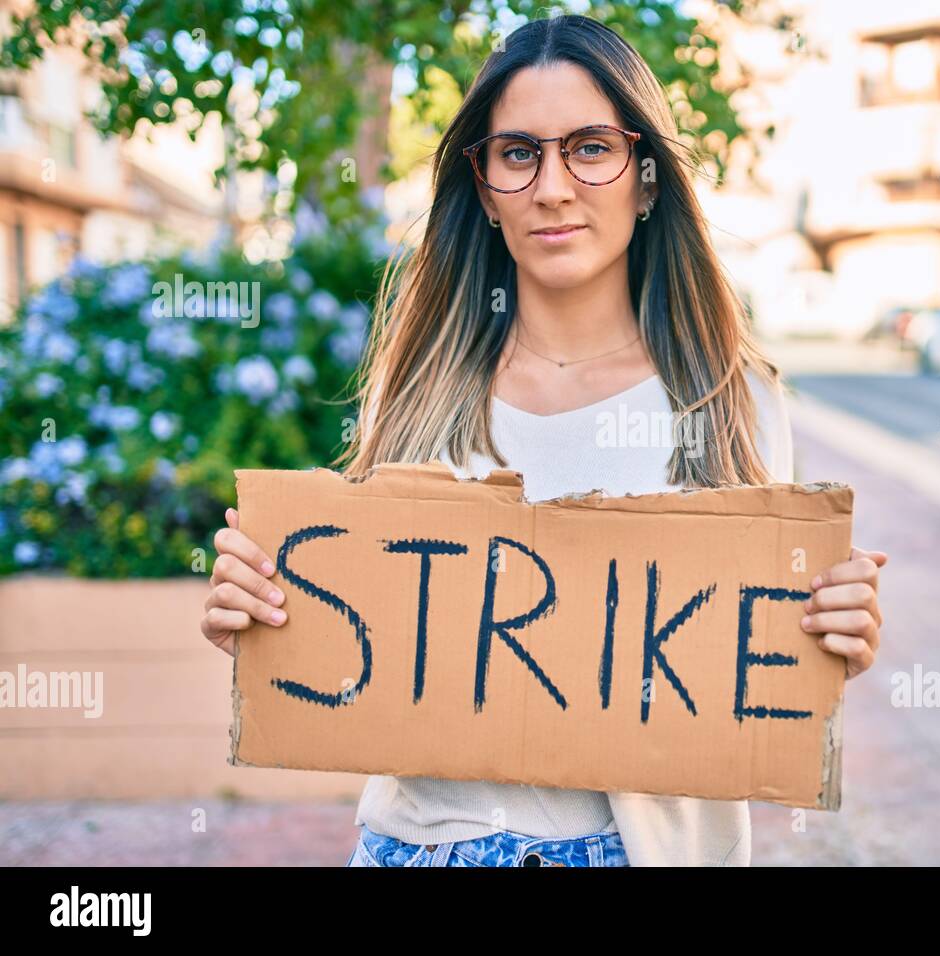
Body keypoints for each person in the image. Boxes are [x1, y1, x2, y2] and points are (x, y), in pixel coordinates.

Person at [200, 13, 887, 868]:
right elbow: (374, 632)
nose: (553, 187)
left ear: (645, 178)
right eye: (519, 153)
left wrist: (827, 636)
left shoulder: (732, 399)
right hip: (420, 849)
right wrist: (265, 615)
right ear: (484, 189)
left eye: (591, 147)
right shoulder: (419, 385)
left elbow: (750, 655)